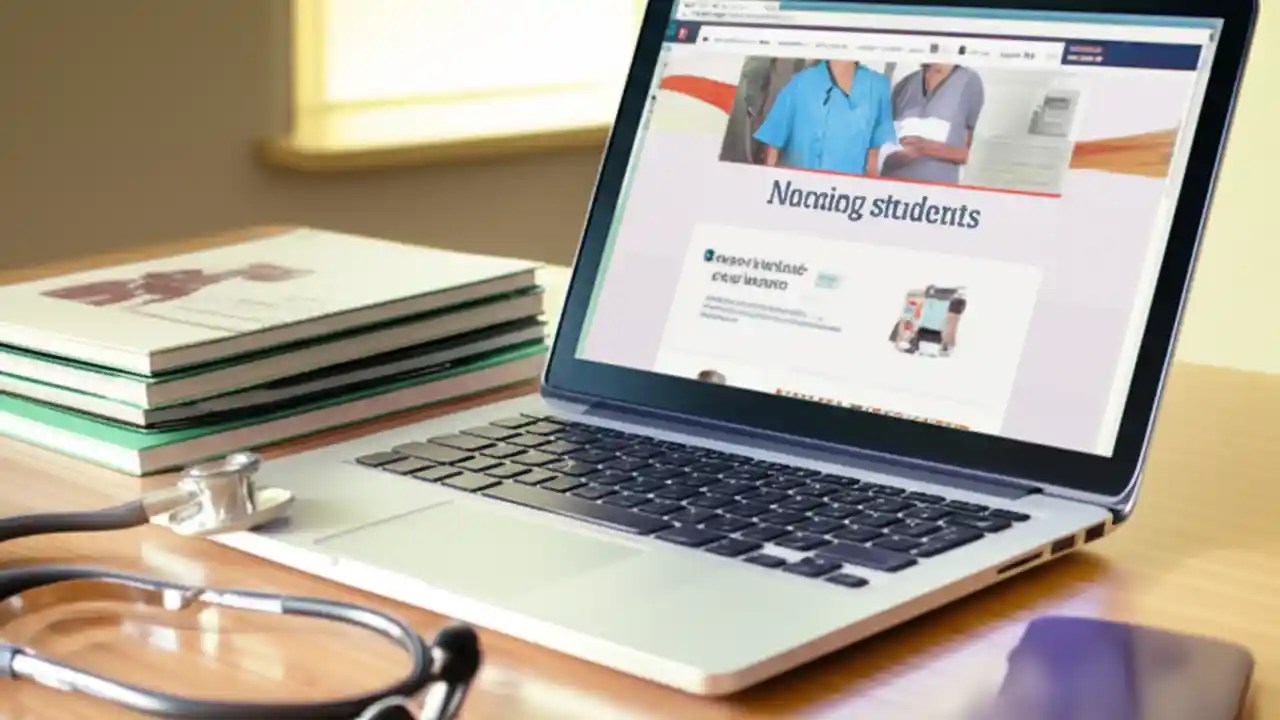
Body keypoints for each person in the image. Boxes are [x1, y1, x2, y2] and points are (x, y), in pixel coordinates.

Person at [752, 60, 896, 176]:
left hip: (848, 195)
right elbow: (772, 145)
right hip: (799, 191)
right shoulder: (801, 83)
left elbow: (873, 155)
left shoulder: (877, 86)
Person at [883, 64, 985, 184]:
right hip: (892, 186)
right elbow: (883, 149)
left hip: (937, 190)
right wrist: (896, 154)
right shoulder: (904, 84)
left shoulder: (968, 81)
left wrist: (923, 148)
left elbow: (965, 154)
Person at [42, 263, 311, 307]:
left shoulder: (225, 282)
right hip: (139, 284)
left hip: (145, 290)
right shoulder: (217, 271)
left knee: (108, 297)